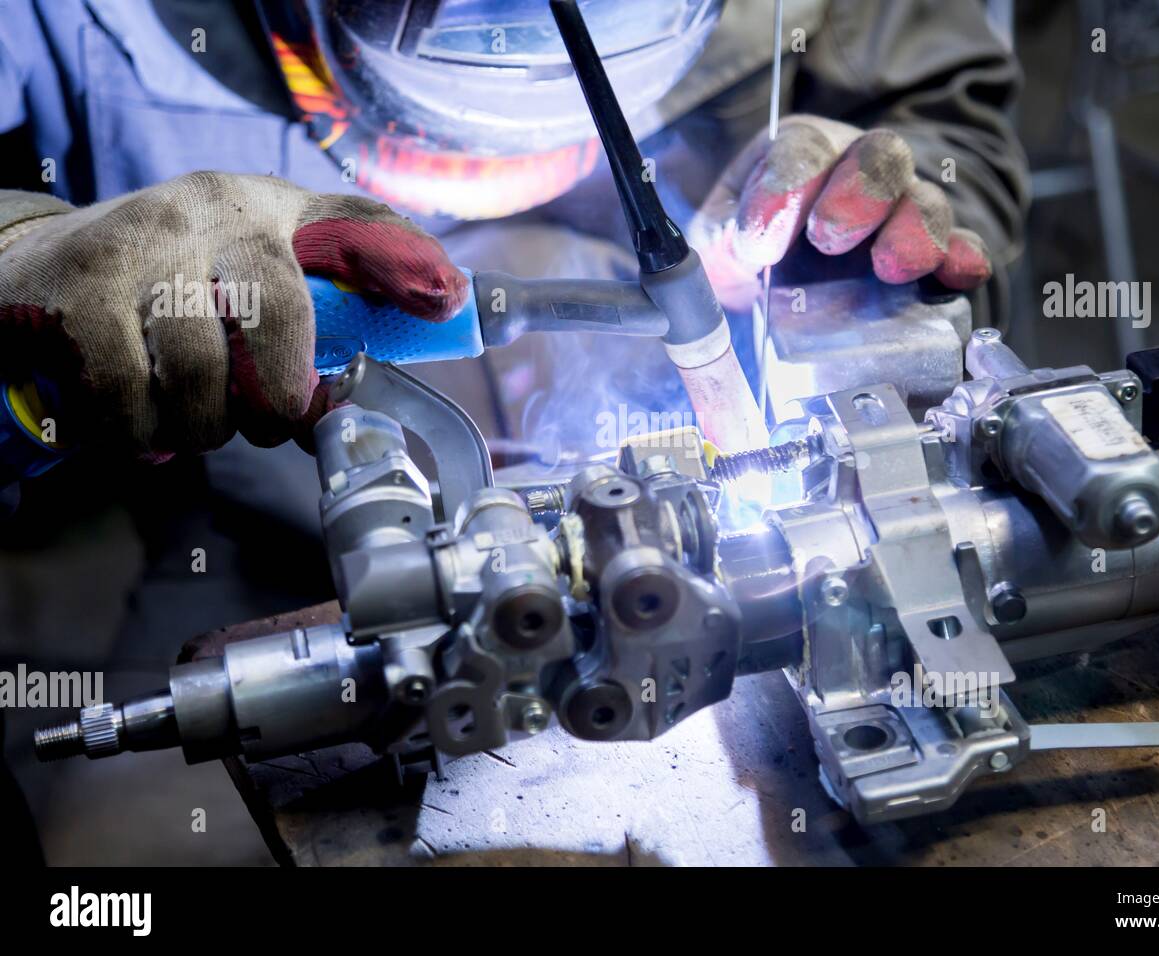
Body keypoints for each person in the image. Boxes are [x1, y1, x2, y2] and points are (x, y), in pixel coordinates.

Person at [0, 0, 1027, 861]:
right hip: (277, 552)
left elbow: (940, 116)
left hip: (720, 560)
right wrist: (24, 259)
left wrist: (871, 237)